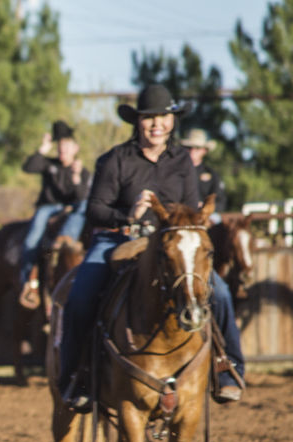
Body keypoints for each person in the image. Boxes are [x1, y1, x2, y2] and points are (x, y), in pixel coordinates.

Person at [58, 84, 245, 410]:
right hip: (117, 239)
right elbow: (95, 209)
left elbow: (190, 210)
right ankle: (78, 376)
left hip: (171, 246)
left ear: (172, 121)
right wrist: (126, 215)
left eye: (163, 117)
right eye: (148, 118)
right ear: (137, 121)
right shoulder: (115, 159)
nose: (156, 124)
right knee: (80, 296)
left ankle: (227, 368)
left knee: (222, 293)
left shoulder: (183, 162)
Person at [17, 120, 90, 309]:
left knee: (84, 209)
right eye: (59, 147)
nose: (62, 150)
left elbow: (82, 198)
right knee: (32, 238)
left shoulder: (82, 172)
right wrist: (43, 148)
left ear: (76, 148)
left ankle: (65, 238)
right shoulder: (49, 165)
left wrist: (76, 179)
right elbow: (28, 167)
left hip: (73, 209)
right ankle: (28, 282)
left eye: (66, 146)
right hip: (49, 208)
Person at [181, 128, 227, 222]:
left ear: (204, 150)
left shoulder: (212, 174)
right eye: (189, 148)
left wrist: (205, 207)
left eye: (197, 148)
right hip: (182, 215)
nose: (192, 151)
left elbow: (220, 201)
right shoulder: (175, 172)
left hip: (206, 217)